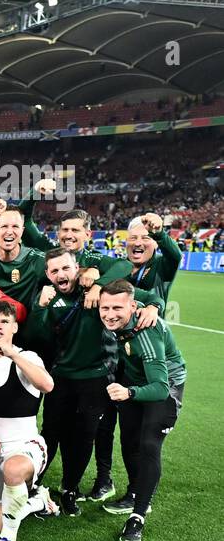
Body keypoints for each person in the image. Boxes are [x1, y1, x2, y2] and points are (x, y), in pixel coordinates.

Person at [26, 249, 162, 515]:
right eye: (54, 271)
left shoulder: (99, 290)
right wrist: (39, 307)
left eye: (65, 268)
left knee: (84, 437)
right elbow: (33, 336)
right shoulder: (47, 297)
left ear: (77, 267)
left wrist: (155, 306)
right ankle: (35, 487)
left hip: (94, 379)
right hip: (60, 379)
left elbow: (137, 281)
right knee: (50, 434)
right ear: (47, 274)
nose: (60, 275)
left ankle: (69, 489)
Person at [89, 211, 181, 502]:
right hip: (118, 357)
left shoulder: (161, 268)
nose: (138, 242)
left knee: (145, 436)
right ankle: (108, 481)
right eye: (133, 238)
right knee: (110, 424)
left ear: (153, 242)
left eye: (145, 237)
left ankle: (140, 497)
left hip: (150, 355)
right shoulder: (119, 267)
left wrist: (160, 233)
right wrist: (90, 276)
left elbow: (175, 256)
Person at [98, 280, 186, 541]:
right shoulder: (116, 321)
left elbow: (159, 387)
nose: (109, 314)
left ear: (132, 307)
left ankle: (137, 518)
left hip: (164, 387)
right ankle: (135, 493)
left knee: (149, 444)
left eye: (117, 308)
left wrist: (129, 393)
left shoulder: (146, 332)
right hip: (135, 382)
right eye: (105, 308)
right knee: (129, 441)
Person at [0, 302, 54, 541]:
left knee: (13, 469)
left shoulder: (27, 357)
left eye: (4, 321)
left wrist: (13, 355)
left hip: (25, 445)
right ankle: (37, 501)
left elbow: (47, 385)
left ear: (15, 327)